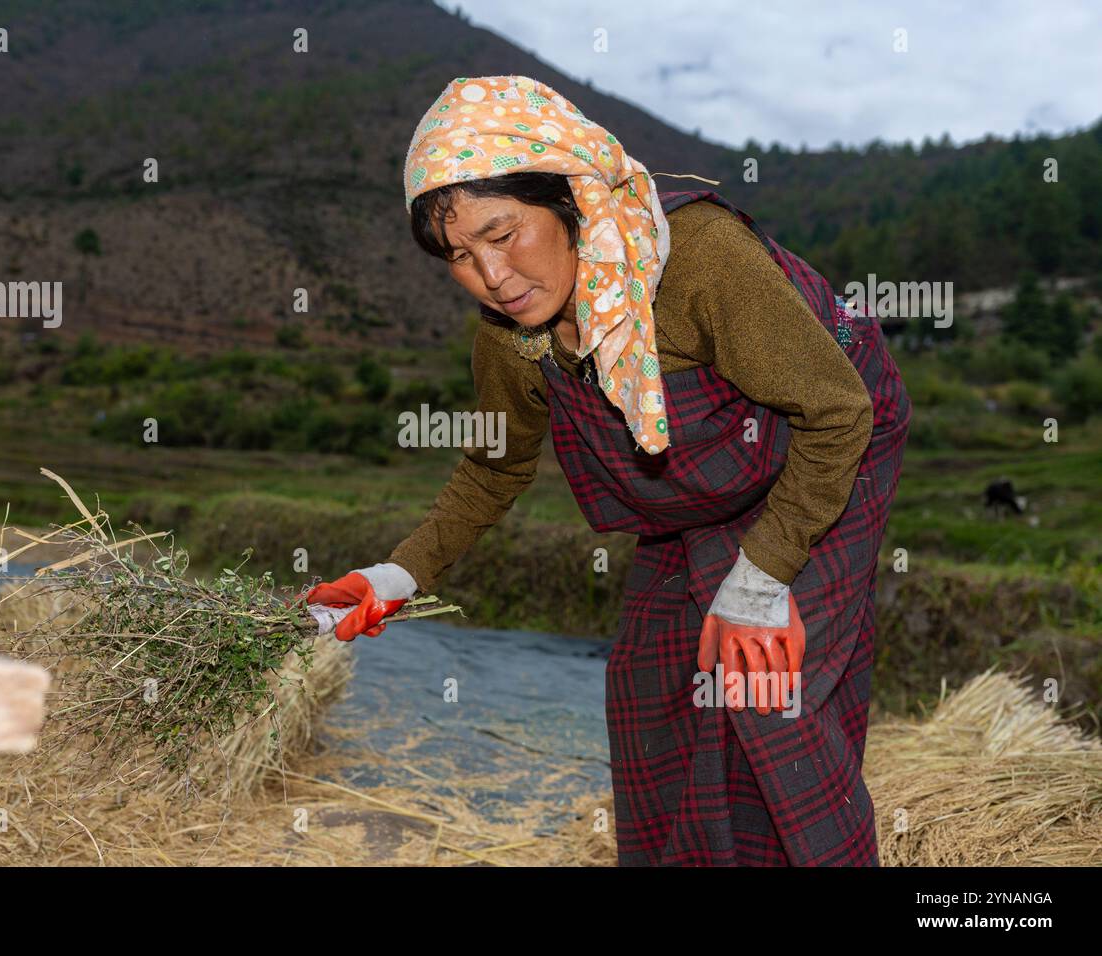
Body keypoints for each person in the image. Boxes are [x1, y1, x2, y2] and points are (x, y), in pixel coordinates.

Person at [306, 75, 912, 866]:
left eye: (503, 232)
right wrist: (397, 574)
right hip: (698, 487)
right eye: (459, 255)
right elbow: (494, 468)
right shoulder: (510, 335)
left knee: (763, 694)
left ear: (569, 199)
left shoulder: (697, 262)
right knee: (650, 694)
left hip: (824, 450)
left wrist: (762, 577)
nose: (491, 275)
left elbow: (835, 412)